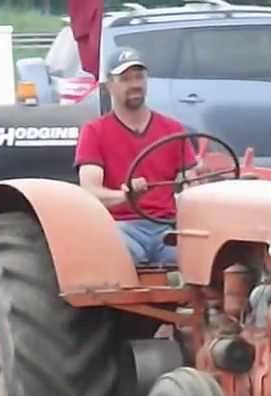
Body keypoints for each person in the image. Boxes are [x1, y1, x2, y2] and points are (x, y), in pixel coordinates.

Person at [75, 47, 199, 265]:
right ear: (109, 86)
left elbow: (193, 184)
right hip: (122, 227)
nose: (134, 85)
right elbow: (91, 192)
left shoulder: (172, 129)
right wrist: (126, 196)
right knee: (121, 254)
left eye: (139, 77)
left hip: (166, 228)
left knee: (208, 259)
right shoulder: (95, 131)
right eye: (125, 78)